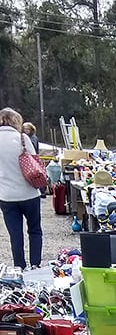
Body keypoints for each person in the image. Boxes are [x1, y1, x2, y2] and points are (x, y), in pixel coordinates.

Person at [0, 107, 43, 269]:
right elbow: (35, 161)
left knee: (15, 234)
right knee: (34, 230)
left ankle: (19, 266)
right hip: (29, 193)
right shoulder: (22, 138)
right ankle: (35, 265)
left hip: (6, 196)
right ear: (15, 121)